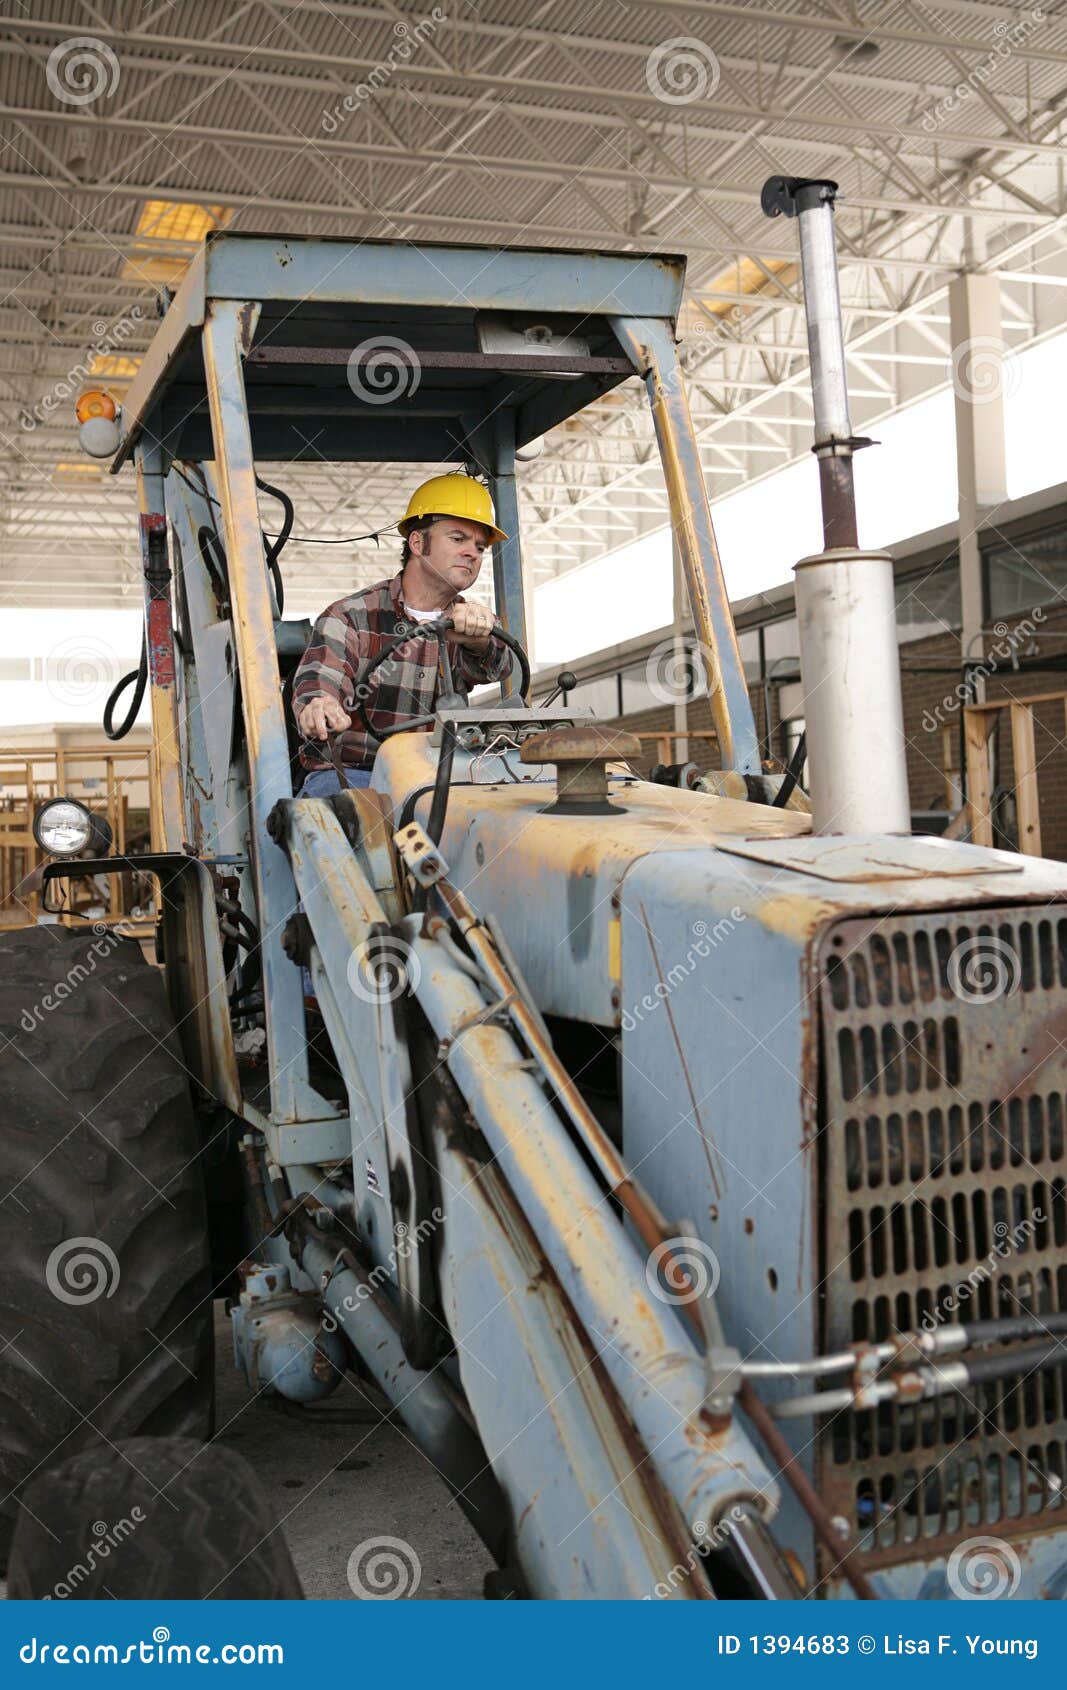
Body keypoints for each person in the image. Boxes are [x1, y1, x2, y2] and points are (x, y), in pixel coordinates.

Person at [292, 474, 511, 795]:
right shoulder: (351, 616)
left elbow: (501, 665)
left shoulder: (470, 620)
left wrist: (480, 639)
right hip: (358, 773)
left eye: (479, 547)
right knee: (348, 820)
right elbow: (321, 678)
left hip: (441, 774)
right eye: (457, 539)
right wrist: (320, 705)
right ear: (418, 543)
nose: (473, 553)